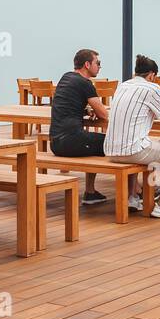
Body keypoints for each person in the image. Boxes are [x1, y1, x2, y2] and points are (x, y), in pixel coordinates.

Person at [104, 55, 160, 218]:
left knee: (139, 144)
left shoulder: (123, 86)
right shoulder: (152, 88)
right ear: (152, 75)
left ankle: (132, 198)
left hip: (110, 150)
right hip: (133, 151)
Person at [49, 48, 111, 206]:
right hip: (71, 142)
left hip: (55, 142)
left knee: (93, 141)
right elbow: (104, 115)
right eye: (98, 63)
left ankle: (91, 193)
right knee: (117, 144)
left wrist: (85, 110)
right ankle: (135, 193)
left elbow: (68, 103)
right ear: (87, 64)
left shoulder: (66, 77)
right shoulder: (85, 83)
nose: (99, 66)